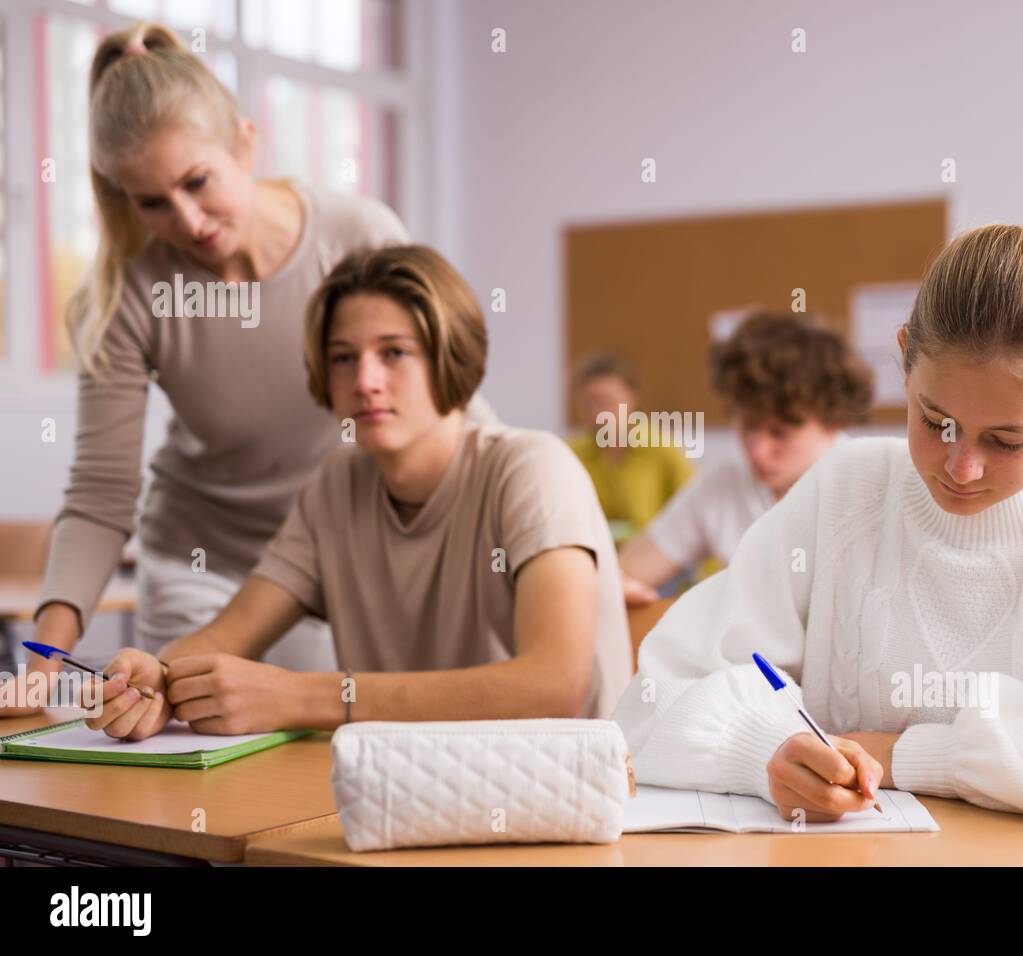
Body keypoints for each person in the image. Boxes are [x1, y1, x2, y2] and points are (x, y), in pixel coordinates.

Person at [613, 225, 1023, 837]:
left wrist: (911, 756)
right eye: (935, 421)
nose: (961, 468)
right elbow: (647, 700)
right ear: (904, 360)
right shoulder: (845, 487)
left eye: (1007, 440)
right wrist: (758, 748)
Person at [1, 22, 491, 716]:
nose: (189, 219)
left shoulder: (356, 235)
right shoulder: (126, 296)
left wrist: (545, 548)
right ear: (122, 198)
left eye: (198, 182)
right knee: (190, 755)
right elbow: (101, 492)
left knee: (322, 764)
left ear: (246, 141)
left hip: (343, 560)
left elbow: (449, 395)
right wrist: (44, 661)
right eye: (152, 202)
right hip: (204, 566)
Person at [83, 244, 631, 740]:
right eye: (344, 357)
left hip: (571, 806)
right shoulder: (334, 488)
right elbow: (231, 635)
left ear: (450, 357)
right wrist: (158, 679)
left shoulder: (533, 468)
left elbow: (553, 686)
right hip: (408, 793)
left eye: (394, 352)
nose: (364, 380)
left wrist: (301, 696)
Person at [619, 311, 873, 605]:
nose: (758, 451)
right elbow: (624, 574)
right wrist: (614, 588)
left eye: (779, 433)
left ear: (833, 421)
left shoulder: (871, 485)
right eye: (748, 427)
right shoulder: (722, 489)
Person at [567, 351, 694, 547]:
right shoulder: (571, 454)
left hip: (654, 565)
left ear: (632, 399)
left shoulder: (661, 450)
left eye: (607, 401)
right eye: (589, 404)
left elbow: (695, 516)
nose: (598, 413)